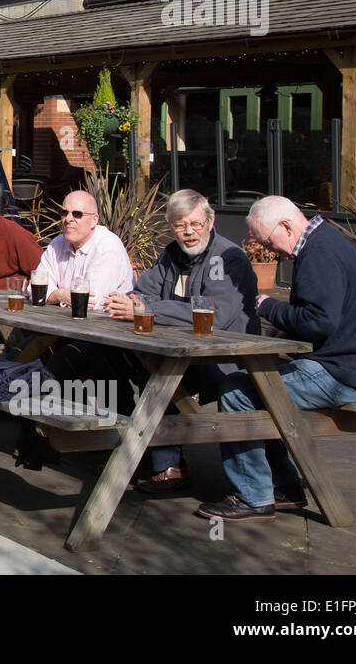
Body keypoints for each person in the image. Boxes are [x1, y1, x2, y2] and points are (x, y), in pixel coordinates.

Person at [196, 196, 356, 523]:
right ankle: (285, 486)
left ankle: (253, 497)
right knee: (256, 387)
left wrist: (268, 307)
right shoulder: (323, 244)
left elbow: (320, 320)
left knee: (236, 392)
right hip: (349, 367)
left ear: (286, 225)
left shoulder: (319, 254)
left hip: (342, 375)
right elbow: (330, 318)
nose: (271, 250)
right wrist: (286, 331)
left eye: (269, 241)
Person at [103, 189, 260, 492]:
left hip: (226, 358)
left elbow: (213, 313)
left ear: (211, 222)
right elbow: (142, 291)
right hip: (180, 351)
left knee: (162, 377)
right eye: (179, 225)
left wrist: (146, 309)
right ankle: (121, 449)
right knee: (114, 359)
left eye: (195, 224)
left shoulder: (228, 259)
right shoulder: (170, 255)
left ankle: (166, 465)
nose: (188, 232)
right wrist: (131, 302)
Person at [36, 189, 134, 311]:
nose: (68, 219)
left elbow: (92, 303)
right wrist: (60, 295)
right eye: (64, 213)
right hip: (63, 322)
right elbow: (35, 288)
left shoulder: (108, 246)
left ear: (94, 220)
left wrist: (53, 295)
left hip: (107, 326)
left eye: (77, 214)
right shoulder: (57, 243)